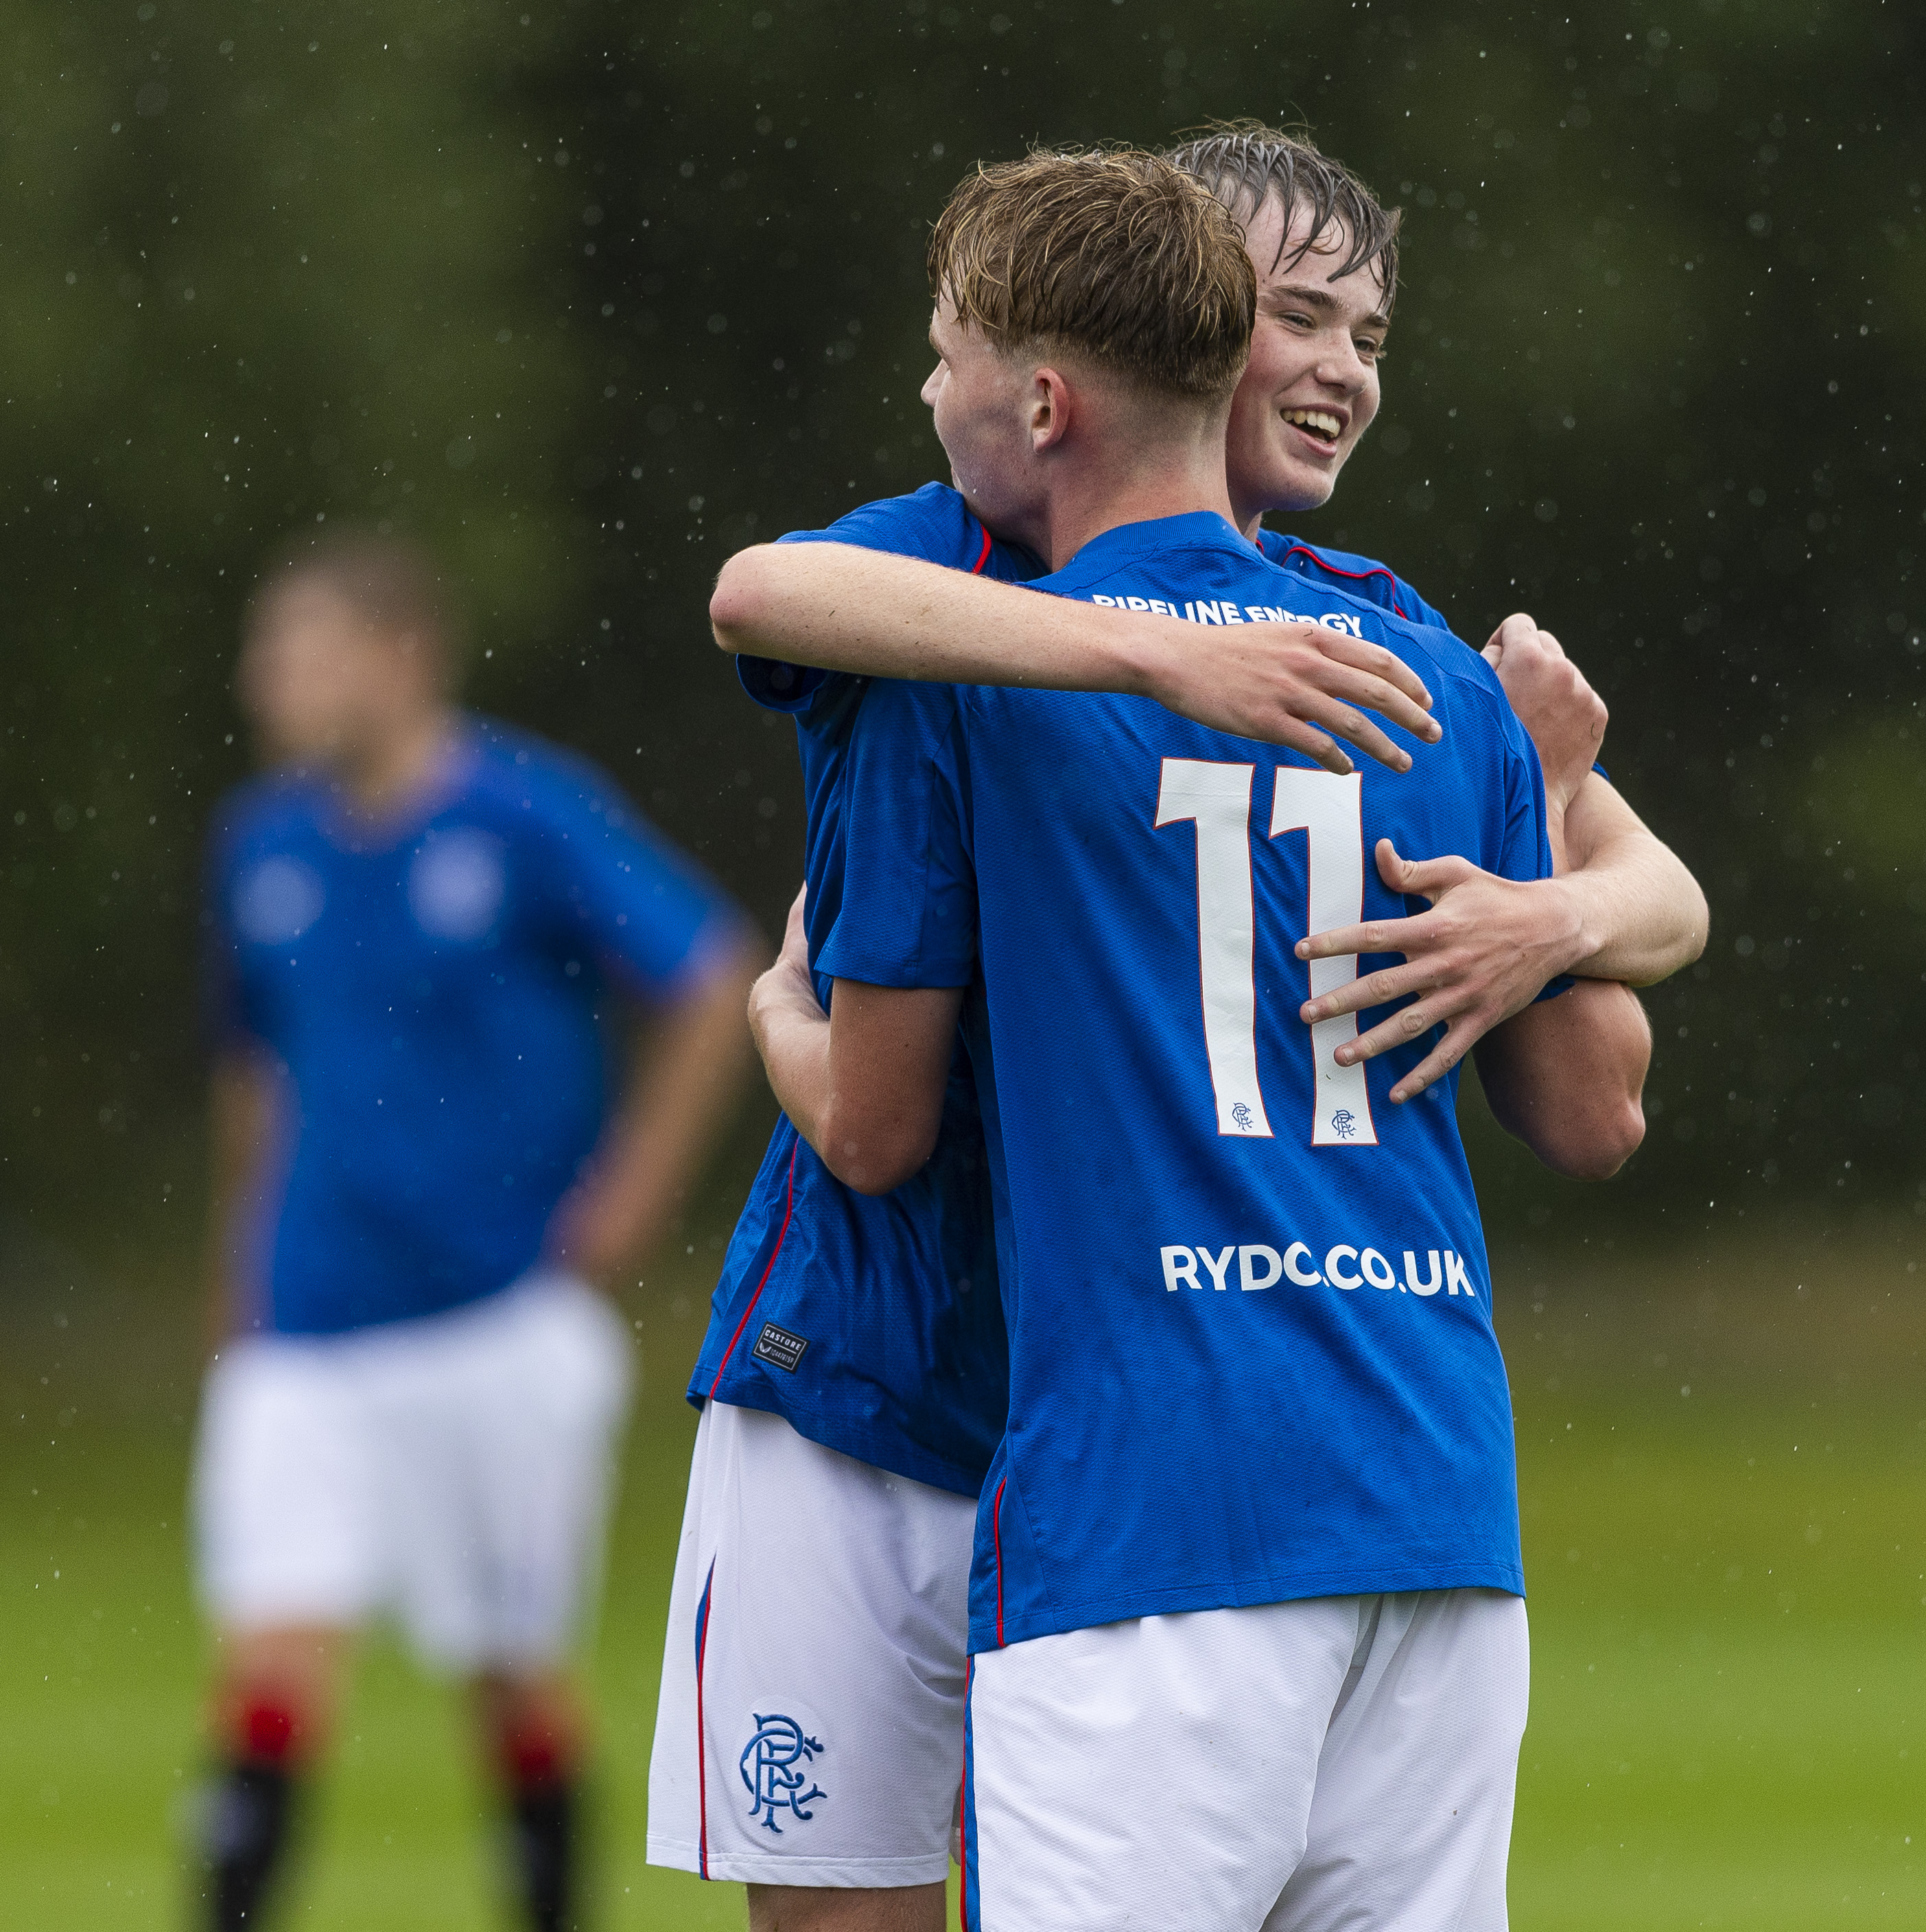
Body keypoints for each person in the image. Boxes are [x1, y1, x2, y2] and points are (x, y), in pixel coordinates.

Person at [649, 130, 1703, 1932]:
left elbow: (1640, 944)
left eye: (1368, 330)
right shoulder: (951, 594)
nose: (1337, 364)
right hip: (900, 1381)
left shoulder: (1389, 649)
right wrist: (1150, 651)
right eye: (1298, 311)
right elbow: (757, 589)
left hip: (1148, 1441)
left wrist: (1550, 905)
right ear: (1173, 312)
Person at [191, 528, 761, 1931]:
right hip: (310, 1321)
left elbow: (709, 973)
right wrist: (239, 1258)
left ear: (399, 655)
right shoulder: (260, 843)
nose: (269, 680)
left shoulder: (522, 816)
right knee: (269, 1661)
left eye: (301, 650)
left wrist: (632, 1193)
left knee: (512, 1674)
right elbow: (257, 1072)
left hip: (494, 1315)